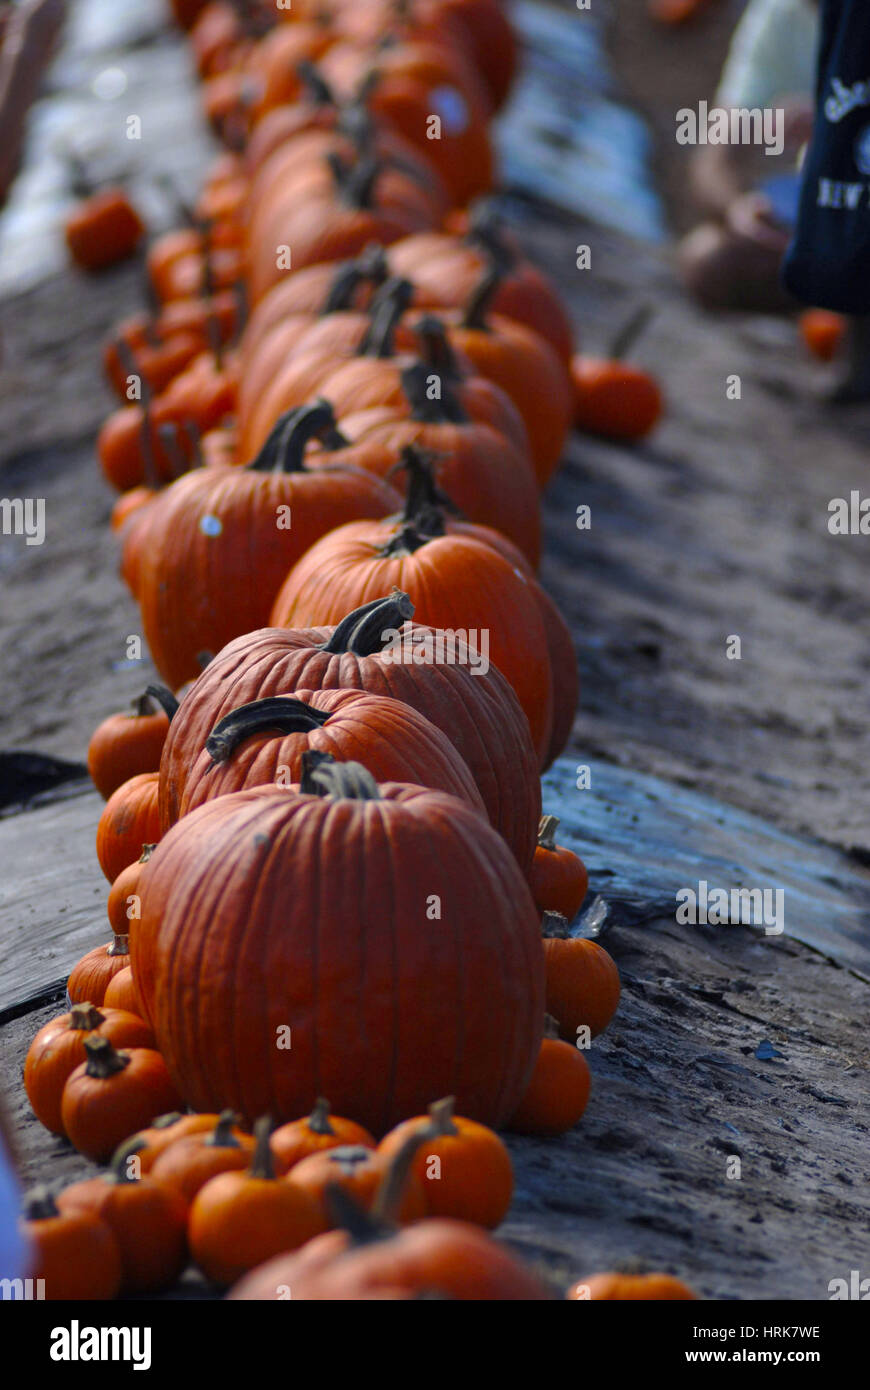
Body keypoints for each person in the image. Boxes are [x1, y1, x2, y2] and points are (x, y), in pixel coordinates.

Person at [678, 0, 820, 313]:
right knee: (706, 258)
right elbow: (714, 157)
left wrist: (837, 127)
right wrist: (739, 207)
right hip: (816, 219)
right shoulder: (780, 13)